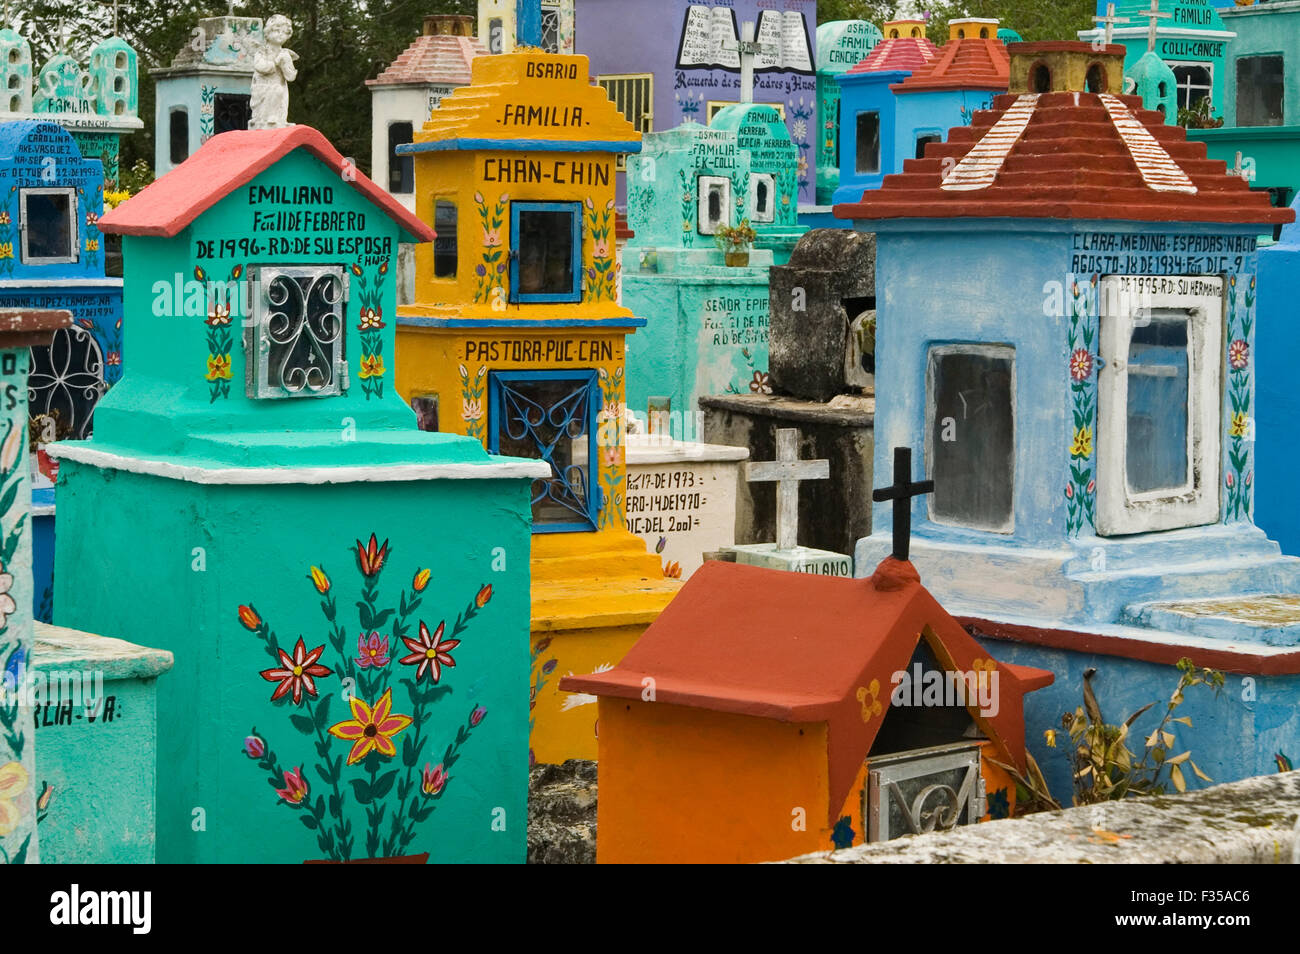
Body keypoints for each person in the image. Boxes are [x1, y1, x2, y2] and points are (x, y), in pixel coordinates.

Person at [249, 14, 298, 129]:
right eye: (277, 31)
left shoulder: (285, 54)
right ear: (268, 33)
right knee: (276, 90)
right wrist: (276, 62)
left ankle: (277, 118)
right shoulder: (262, 51)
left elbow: (291, 77)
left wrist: (285, 64)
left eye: (284, 32)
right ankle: (266, 119)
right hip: (263, 87)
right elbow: (260, 67)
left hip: (279, 88)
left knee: (279, 91)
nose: (280, 34)